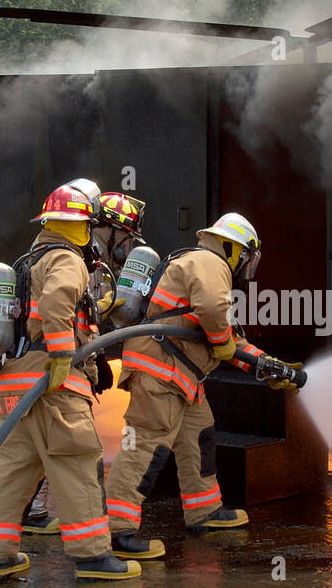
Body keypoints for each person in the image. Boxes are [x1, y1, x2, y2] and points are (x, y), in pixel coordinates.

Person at [104, 212, 300, 556]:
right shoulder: (210, 262)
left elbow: (228, 341)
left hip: (180, 378)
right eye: (246, 256)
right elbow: (213, 314)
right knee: (145, 449)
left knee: (199, 437)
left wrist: (271, 368)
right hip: (160, 374)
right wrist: (223, 341)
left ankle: (204, 511)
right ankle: (116, 532)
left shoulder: (200, 264)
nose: (245, 266)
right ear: (232, 248)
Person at [0, 183, 140, 582]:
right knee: (77, 464)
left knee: (10, 470)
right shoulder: (68, 258)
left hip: (15, 387)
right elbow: (55, 303)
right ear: (84, 226)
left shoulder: (30, 259)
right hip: (54, 387)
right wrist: (65, 357)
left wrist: (94, 333)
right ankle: (92, 556)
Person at [20, 188, 148, 534]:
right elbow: (62, 313)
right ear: (109, 229)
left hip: (44, 363)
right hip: (51, 364)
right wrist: (74, 360)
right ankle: (89, 541)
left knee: (40, 444)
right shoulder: (72, 257)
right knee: (76, 450)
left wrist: (97, 357)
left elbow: (82, 318)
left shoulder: (85, 258)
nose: (127, 248)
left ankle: (30, 514)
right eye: (126, 238)